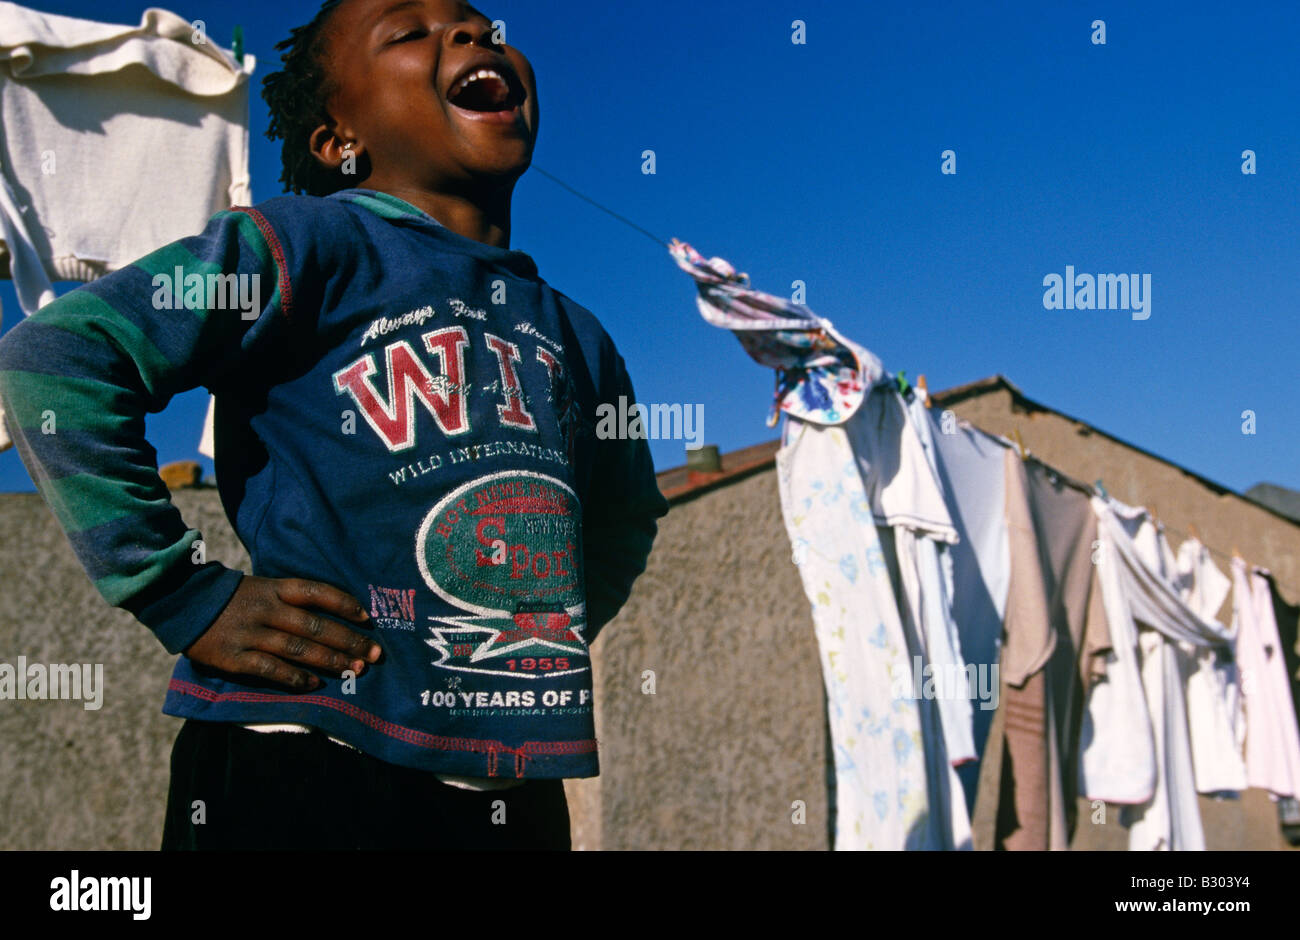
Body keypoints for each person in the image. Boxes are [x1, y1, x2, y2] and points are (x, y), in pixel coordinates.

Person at [0, 0, 668, 850]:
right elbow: (56, 358)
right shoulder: (304, 244)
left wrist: (531, 634)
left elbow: (624, 515)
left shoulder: (580, 336)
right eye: (409, 31)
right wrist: (184, 595)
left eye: (477, 21)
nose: (468, 35)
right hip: (301, 761)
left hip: (510, 789)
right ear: (336, 138)